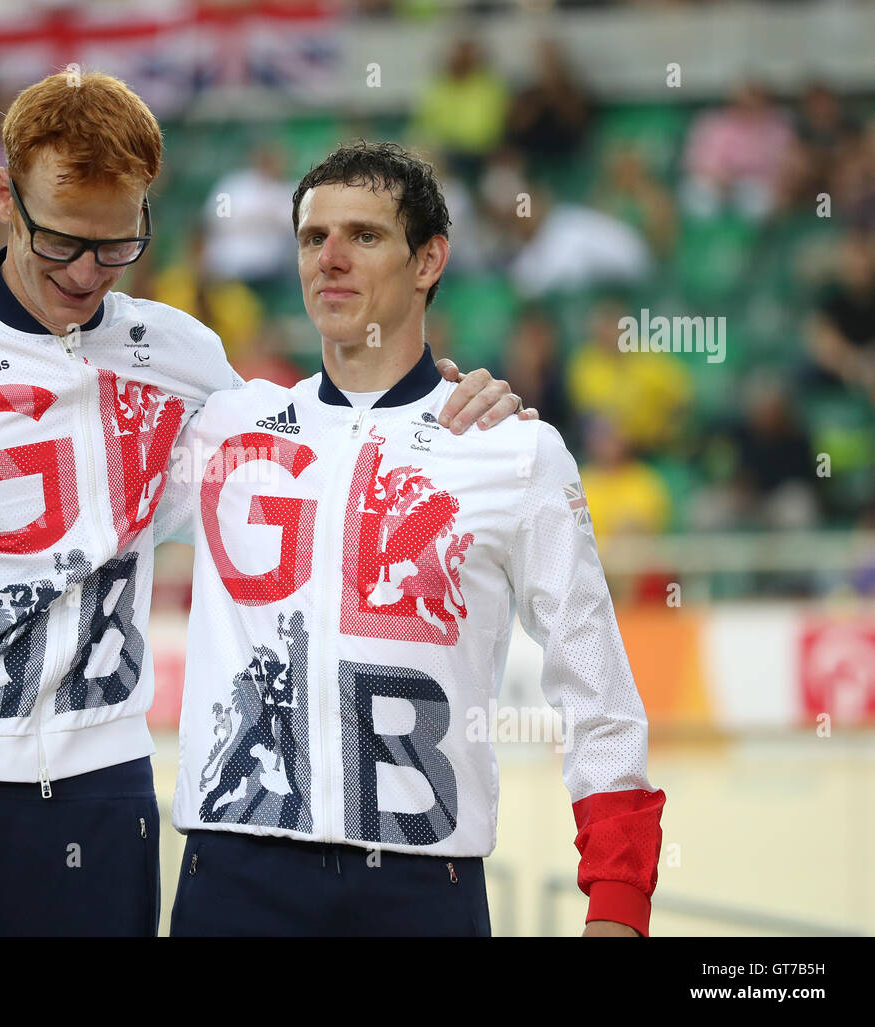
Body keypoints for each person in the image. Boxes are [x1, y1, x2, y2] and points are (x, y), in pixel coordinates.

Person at [0, 72, 530, 938]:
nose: (87, 272)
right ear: (5, 199)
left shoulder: (181, 352)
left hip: (102, 802)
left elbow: (312, 454)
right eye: (60, 243)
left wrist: (439, 400)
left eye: (116, 245)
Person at [149, 141, 666, 936]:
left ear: (430, 259)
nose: (331, 258)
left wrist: (619, 899)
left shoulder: (513, 449)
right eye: (313, 237)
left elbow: (595, 685)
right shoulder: (225, 424)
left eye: (364, 235)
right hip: (232, 873)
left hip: (424, 888)